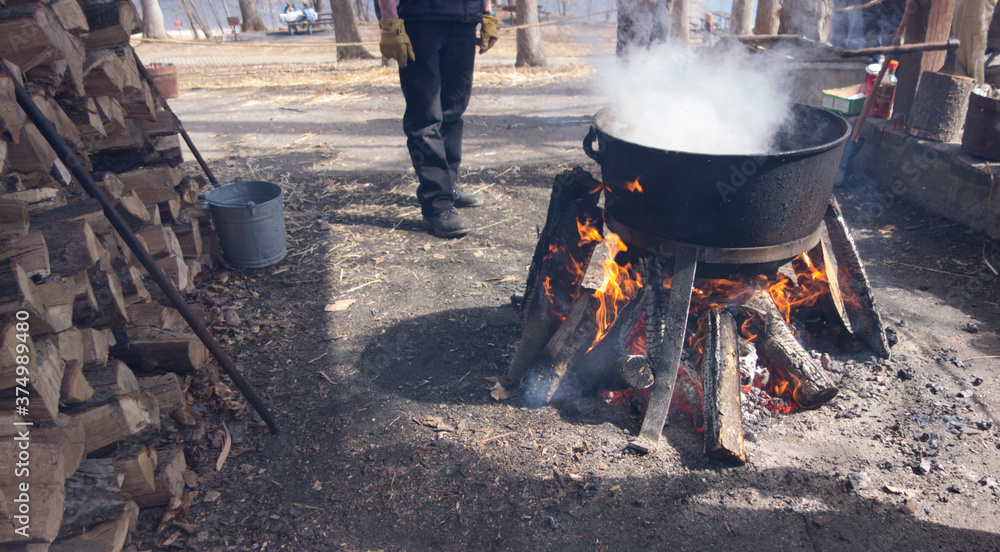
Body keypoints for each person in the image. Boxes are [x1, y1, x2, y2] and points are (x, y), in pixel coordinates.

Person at [377, 0, 500, 237]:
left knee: (454, 111)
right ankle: (436, 205)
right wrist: (388, 21)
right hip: (420, 18)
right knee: (425, 116)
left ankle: (448, 188)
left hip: (464, 18)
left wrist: (487, 10)